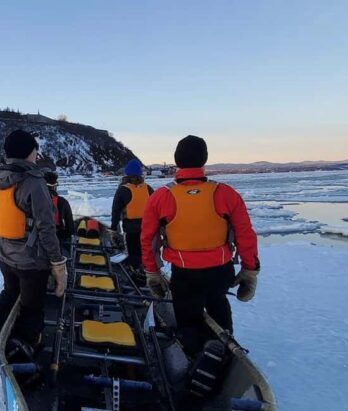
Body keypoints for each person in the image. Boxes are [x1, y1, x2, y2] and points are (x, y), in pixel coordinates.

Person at [140, 135, 260, 354]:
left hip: (184, 274)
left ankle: (193, 357)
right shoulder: (226, 193)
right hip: (220, 271)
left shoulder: (160, 197)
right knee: (218, 306)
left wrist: (153, 272)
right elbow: (245, 235)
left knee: (188, 320)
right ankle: (224, 352)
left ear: (177, 161)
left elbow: (148, 239)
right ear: (204, 160)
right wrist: (249, 269)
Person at [0, 130, 68, 358]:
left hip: (5, 256)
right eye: (35, 151)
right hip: (30, 262)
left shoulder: (0, 179)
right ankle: (24, 351)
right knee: (32, 307)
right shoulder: (33, 182)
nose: (36, 155)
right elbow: (46, 228)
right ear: (28, 153)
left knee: (9, 294)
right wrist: (57, 262)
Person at [109, 159, 154, 270]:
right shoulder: (147, 188)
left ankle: (135, 270)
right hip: (147, 226)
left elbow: (116, 210)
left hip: (130, 227)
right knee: (144, 249)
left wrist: (114, 227)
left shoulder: (123, 189)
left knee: (133, 250)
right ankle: (147, 268)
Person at [44, 171, 75, 243]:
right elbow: (70, 226)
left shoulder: (35, 200)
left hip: (39, 236)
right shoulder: (62, 202)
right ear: (55, 187)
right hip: (57, 235)